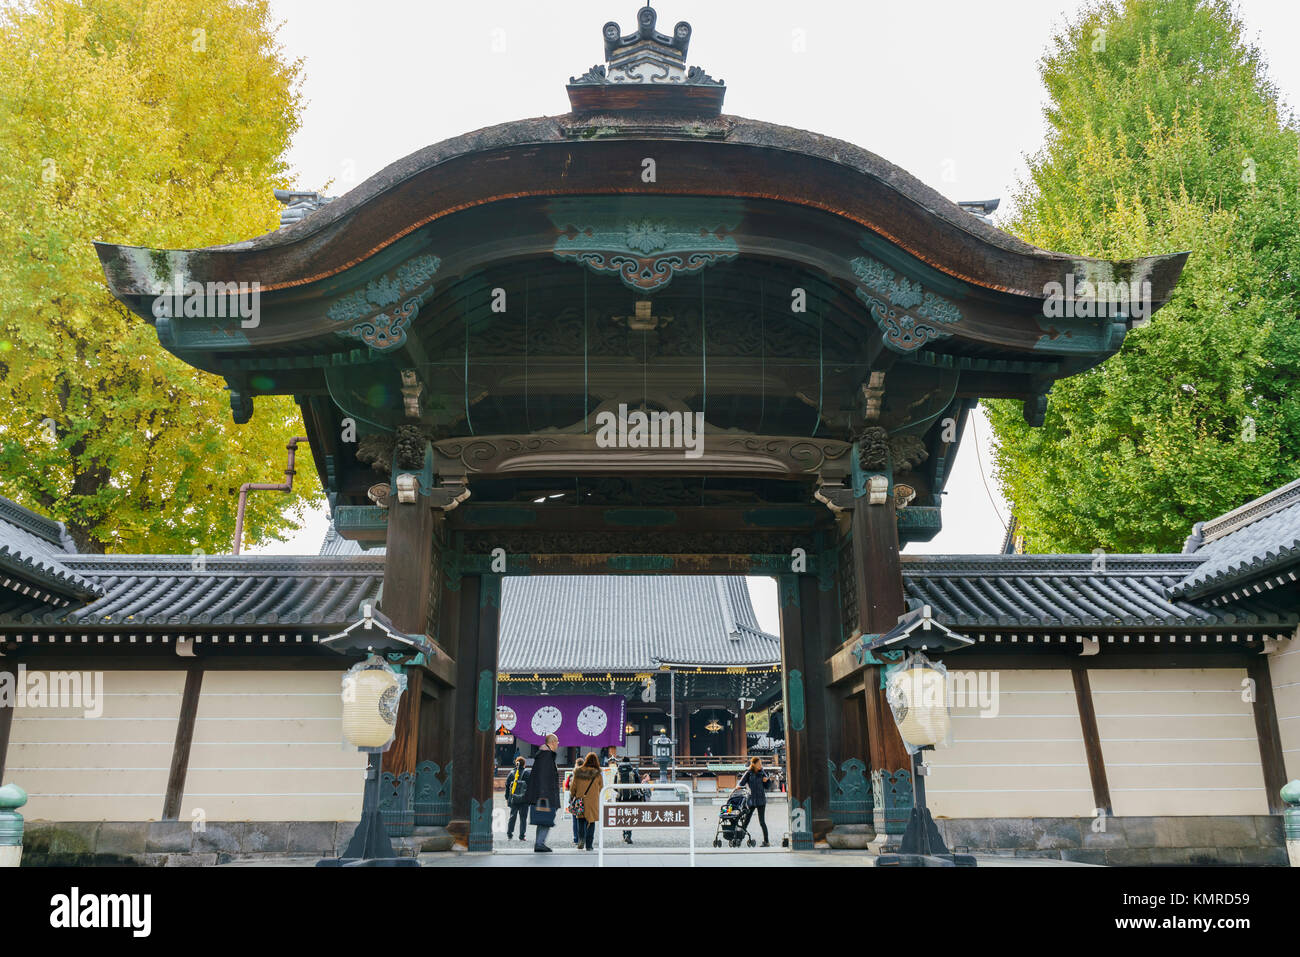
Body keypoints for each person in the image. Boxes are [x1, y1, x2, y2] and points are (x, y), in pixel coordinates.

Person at [523, 733, 560, 852]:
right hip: (546, 794)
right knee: (546, 819)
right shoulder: (547, 756)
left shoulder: (544, 755)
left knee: (543, 819)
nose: (558, 744)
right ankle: (539, 843)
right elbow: (543, 776)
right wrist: (544, 795)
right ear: (552, 742)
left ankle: (539, 842)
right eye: (557, 742)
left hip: (543, 793)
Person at [569, 752, 603, 851]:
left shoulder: (578, 771)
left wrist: (573, 795)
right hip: (593, 801)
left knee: (580, 821)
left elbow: (573, 787)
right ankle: (589, 845)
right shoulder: (597, 773)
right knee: (591, 822)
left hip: (580, 799)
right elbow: (601, 787)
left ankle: (581, 840)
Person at [738, 756, 771, 846]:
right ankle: (739, 841)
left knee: (762, 822)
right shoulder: (748, 773)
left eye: (761, 764)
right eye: (759, 764)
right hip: (751, 800)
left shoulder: (762, 772)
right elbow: (741, 783)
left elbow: (768, 786)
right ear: (754, 764)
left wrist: (766, 781)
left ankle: (766, 842)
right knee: (746, 821)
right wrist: (739, 788)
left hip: (761, 800)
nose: (761, 765)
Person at [614, 757, 642, 844]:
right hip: (631, 797)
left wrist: (620, 792)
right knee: (629, 815)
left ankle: (624, 833)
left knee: (623, 815)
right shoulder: (633, 771)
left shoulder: (618, 772)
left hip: (621, 797)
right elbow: (638, 784)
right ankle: (628, 835)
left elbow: (614, 786)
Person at [504, 755, 530, 842]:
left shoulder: (511, 773)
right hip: (524, 799)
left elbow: (507, 786)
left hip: (513, 799)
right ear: (524, 764)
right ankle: (522, 836)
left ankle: (509, 834)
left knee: (512, 816)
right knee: (523, 818)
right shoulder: (527, 773)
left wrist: (507, 797)